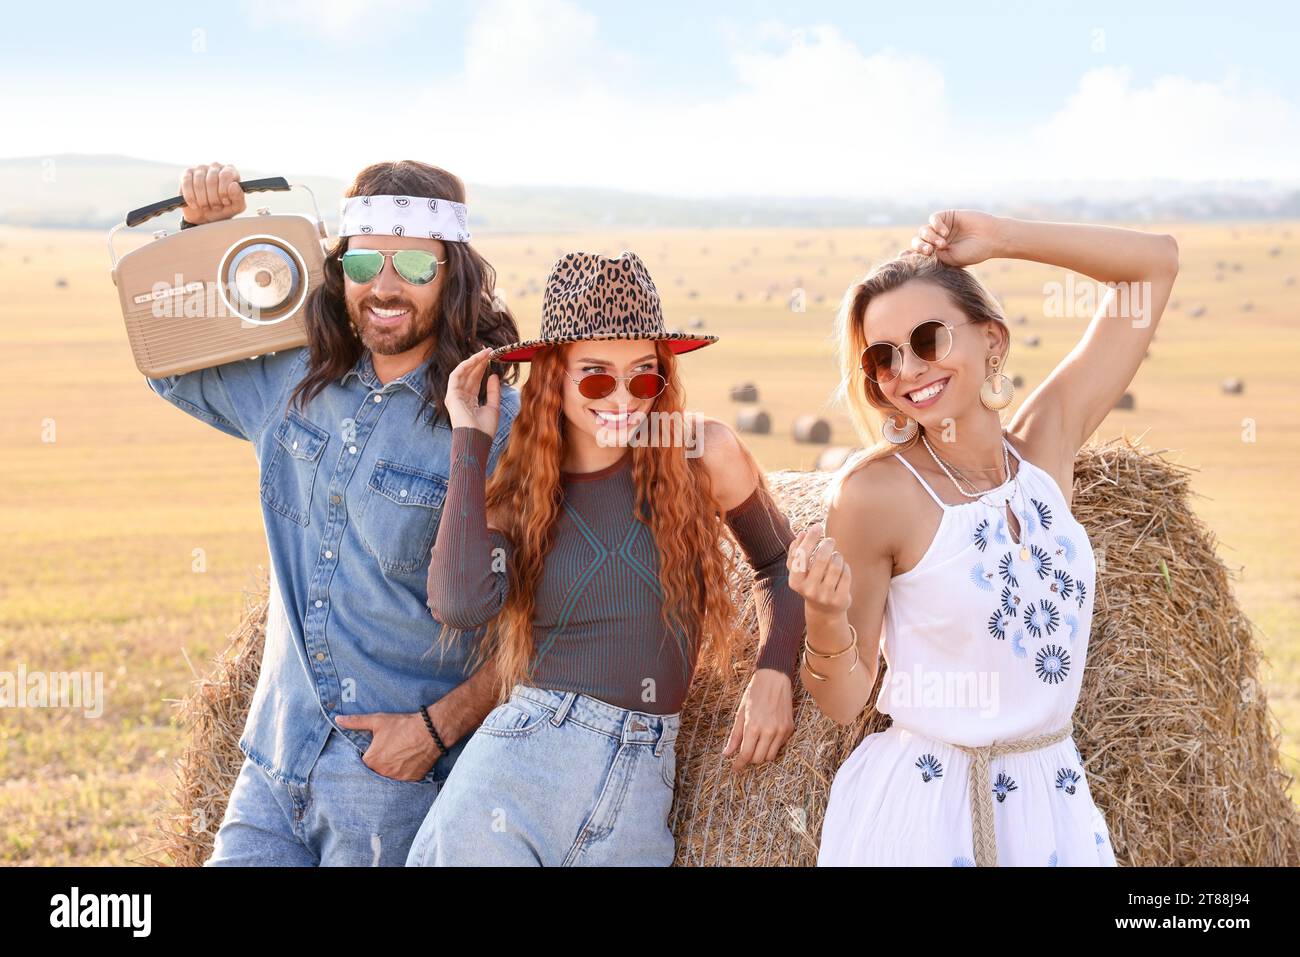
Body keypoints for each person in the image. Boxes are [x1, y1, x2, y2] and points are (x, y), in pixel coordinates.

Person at [145, 160, 522, 865]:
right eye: (365, 260)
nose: (385, 285)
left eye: (413, 262)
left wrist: (437, 730)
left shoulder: (495, 422)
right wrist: (202, 235)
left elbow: (550, 623)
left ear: (454, 273)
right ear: (338, 268)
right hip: (271, 763)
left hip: (394, 787)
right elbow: (167, 359)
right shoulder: (290, 379)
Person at [795, 210, 1178, 866]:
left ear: (991, 341)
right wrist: (825, 617)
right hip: (925, 813)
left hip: (1054, 805)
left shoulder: (1045, 448)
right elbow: (845, 698)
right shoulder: (874, 494)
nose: (908, 368)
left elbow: (1154, 266)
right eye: (882, 356)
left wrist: (1001, 239)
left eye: (927, 338)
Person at [404, 250, 805, 866]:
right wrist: (470, 439)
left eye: (643, 377)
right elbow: (459, 604)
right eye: (595, 377)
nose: (623, 399)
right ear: (552, 377)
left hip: (644, 782)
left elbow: (779, 564)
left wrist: (775, 670)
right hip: (519, 771)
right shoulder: (521, 497)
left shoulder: (703, 452)